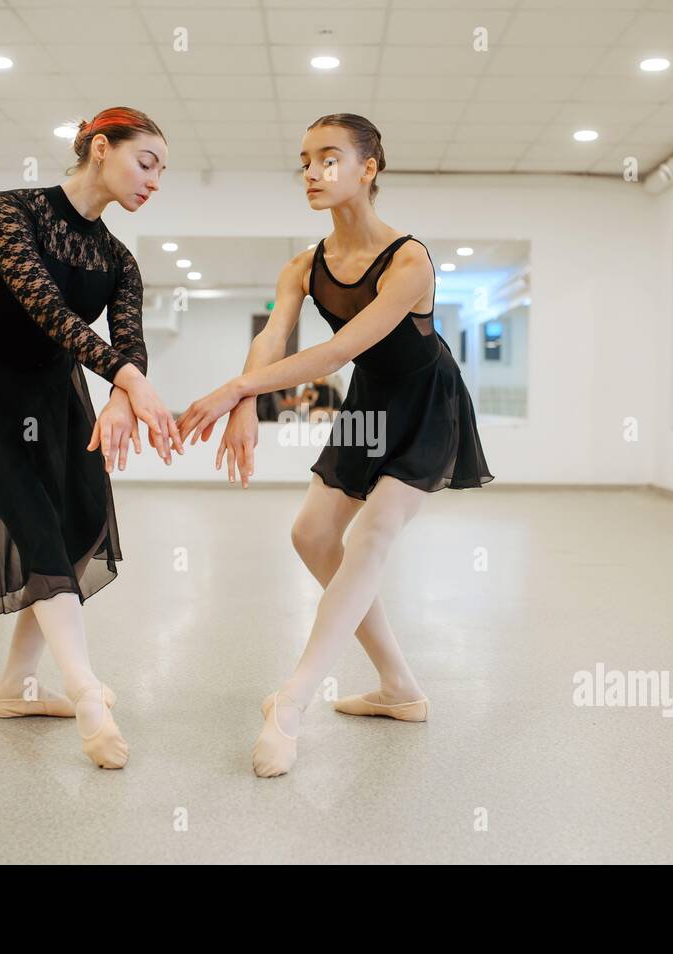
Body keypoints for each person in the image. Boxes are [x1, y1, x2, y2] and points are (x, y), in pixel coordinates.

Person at [175, 114, 493, 777]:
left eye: (329, 158)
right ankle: (400, 688)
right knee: (312, 536)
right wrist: (246, 396)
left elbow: (341, 348)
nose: (313, 173)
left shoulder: (409, 259)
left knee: (372, 537)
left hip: (428, 400)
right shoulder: (303, 265)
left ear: (367, 169)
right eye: (304, 161)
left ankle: (293, 700)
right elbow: (275, 336)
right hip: (369, 401)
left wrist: (235, 390)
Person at [0, 106, 183, 770]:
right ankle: (86, 691)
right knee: (34, 524)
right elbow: (43, 306)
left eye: (163, 172)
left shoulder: (119, 260)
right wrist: (127, 381)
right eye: (146, 163)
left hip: (57, 395)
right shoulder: (12, 210)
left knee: (67, 530)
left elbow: (130, 344)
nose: (154, 181)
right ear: (99, 148)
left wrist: (122, 392)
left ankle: (19, 687)